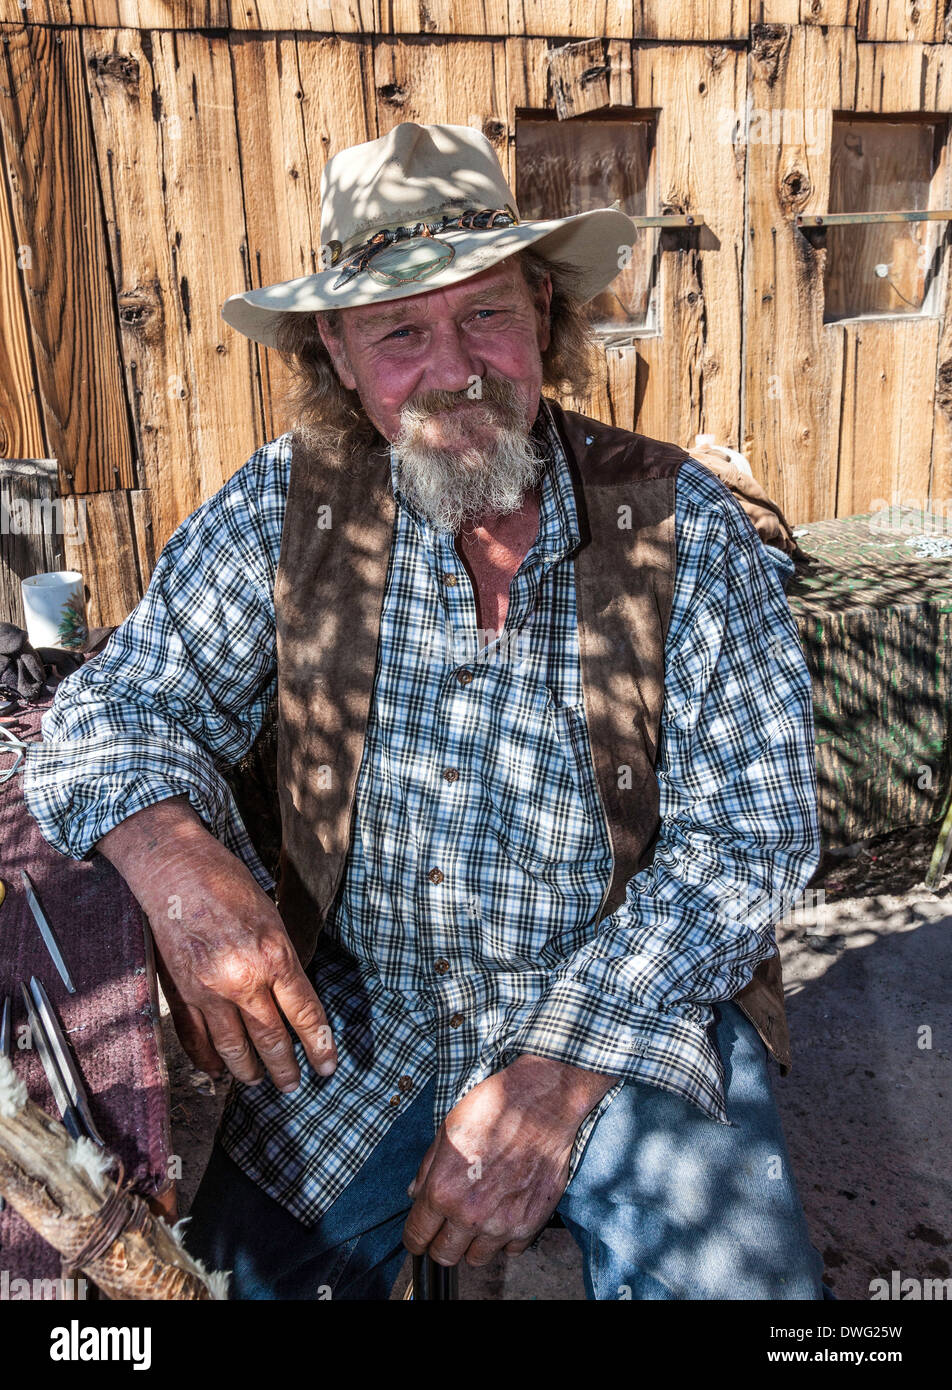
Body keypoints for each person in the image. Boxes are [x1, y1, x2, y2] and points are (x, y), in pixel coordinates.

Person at [24, 121, 830, 1300]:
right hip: (359, 1019)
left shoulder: (681, 524)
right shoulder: (284, 511)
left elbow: (753, 834)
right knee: (186, 1291)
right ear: (340, 358)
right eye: (400, 329)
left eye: (486, 314)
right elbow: (108, 711)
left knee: (748, 1295)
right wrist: (177, 864)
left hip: (615, 1013)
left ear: (542, 320)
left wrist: (555, 1077)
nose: (453, 366)